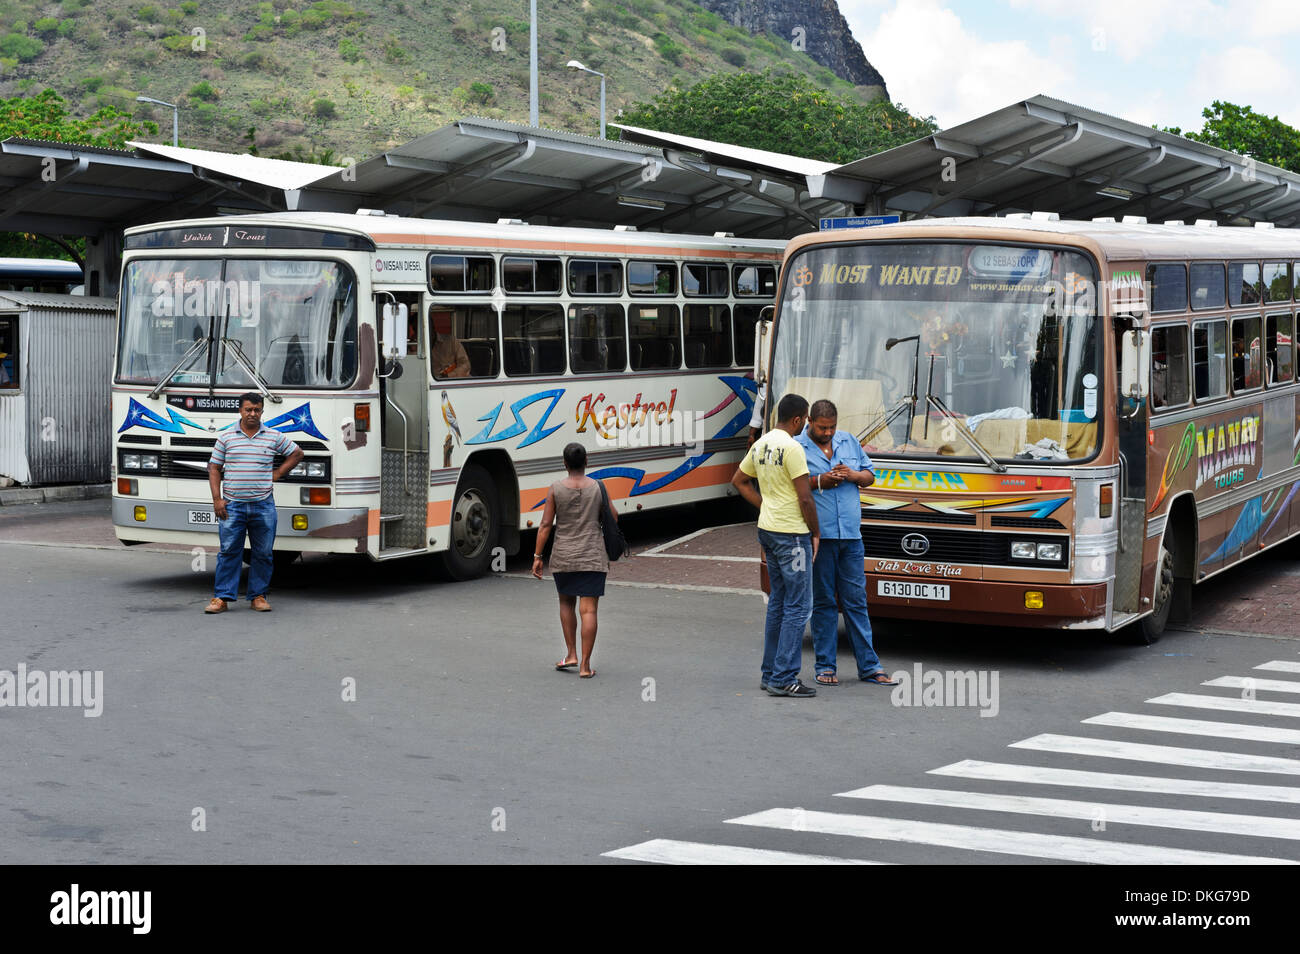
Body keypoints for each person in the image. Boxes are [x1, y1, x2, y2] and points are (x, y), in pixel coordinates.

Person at [795, 400, 898, 687]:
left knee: (856, 602)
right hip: (820, 537)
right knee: (824, 603)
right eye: (822, 428)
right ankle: (825, 666)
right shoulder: (796, 447)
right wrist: (821, 481)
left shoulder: (849, 441)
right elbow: (794, 486)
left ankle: (870, 667)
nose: (828, 433)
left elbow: (870, 475)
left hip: (851, 537)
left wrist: (852, 475)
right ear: (809, 423)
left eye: (832, 427)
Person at [731, 393, 820, 698]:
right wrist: (815, 532)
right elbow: (806, 497)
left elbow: (739, 480)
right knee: (799, 605)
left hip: (767, 529)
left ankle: (770, 672)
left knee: (779, 602)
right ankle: (783, 677)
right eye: (806, 420)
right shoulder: (793, 448)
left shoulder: (761, 443)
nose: (805, 425)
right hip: (792, 534)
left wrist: (764, 505)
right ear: (797, 419)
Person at [205, 392, 304, 614]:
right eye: (248, 409)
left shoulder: (273, 436)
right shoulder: (226, 437)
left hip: (263, 505)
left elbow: (297, 453)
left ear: (261, 411)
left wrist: (278, 472)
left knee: (263, 552)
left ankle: (258, 596)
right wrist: (217, 500)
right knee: (229, 551)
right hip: (232, 506)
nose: (252, 414)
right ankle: (221, 598)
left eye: (256, 410)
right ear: (240, 410)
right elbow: (214, 468)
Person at [532, 442, 618, 678]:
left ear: (565, 464)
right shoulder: (599, 487)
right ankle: (585, 666)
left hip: (564, 556)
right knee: (588, 610)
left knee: (566, 603)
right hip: (592, 556)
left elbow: (546, 525)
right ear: (586, 462)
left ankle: (571, 653)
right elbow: (614, 517)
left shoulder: (555, 489)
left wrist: (538, 557)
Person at [430, 307, 470, 378]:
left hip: (454, 382)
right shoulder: (415, 347)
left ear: (432, 327)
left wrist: (448, 376)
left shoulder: (451, 341)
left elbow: (465, 365)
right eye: (415, 330)